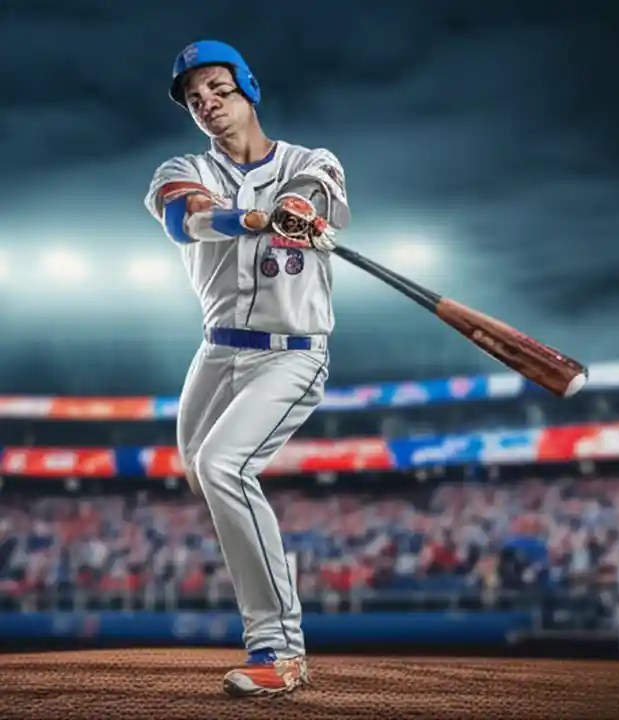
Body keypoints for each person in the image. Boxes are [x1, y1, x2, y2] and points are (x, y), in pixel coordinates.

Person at [142, 39, 350, 698]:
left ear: (248, 88)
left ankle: (279, 647)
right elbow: (186, 219)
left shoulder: (311, 160)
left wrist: (301, 212)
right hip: (218, 351)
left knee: (221, 466)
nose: (206, 103)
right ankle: (271, 617)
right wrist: (248, 217)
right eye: (194, 97)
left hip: (290, 354)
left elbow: (315, 196)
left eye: (218, 89)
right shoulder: (182, 166)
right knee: (201, 468)